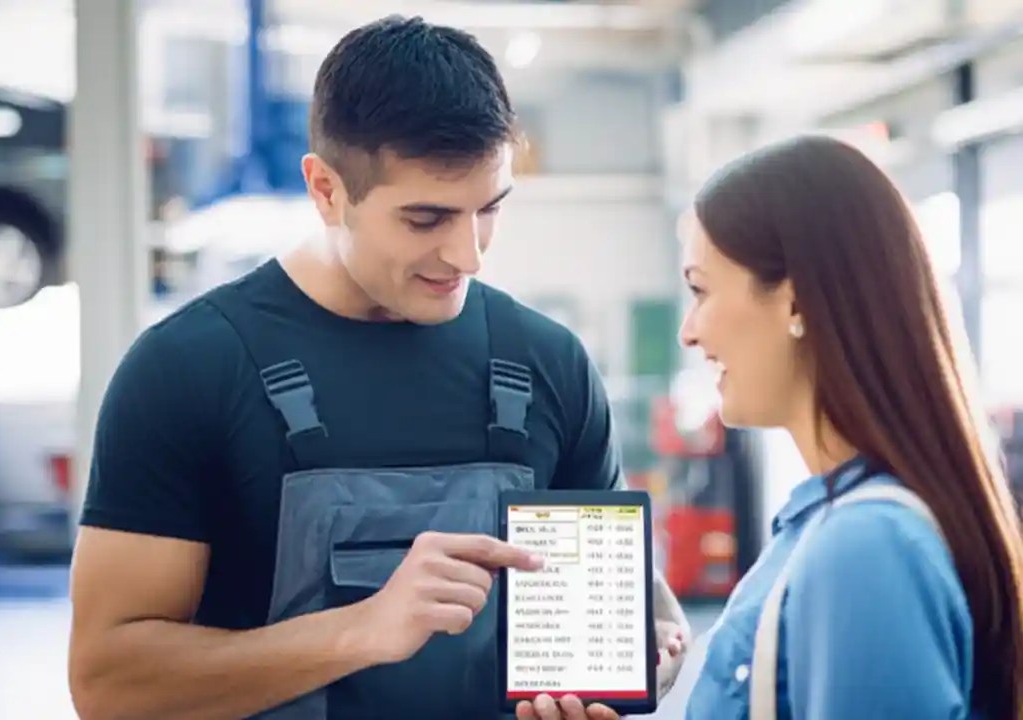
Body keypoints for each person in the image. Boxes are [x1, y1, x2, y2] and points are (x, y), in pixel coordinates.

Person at [67, 14, 689, 720]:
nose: (469, 255)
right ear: (326, 190)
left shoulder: (548, 363)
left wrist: (653, 645)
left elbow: (631, 598)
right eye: (426, 219)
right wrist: (360, 629)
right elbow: (108, 684)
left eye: (488, 209)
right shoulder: (187, 370)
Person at [660, 134, 1023, 719]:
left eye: (700, 290)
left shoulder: (862, 547)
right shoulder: (835, 527)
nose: (689, 331)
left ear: (797, 303)